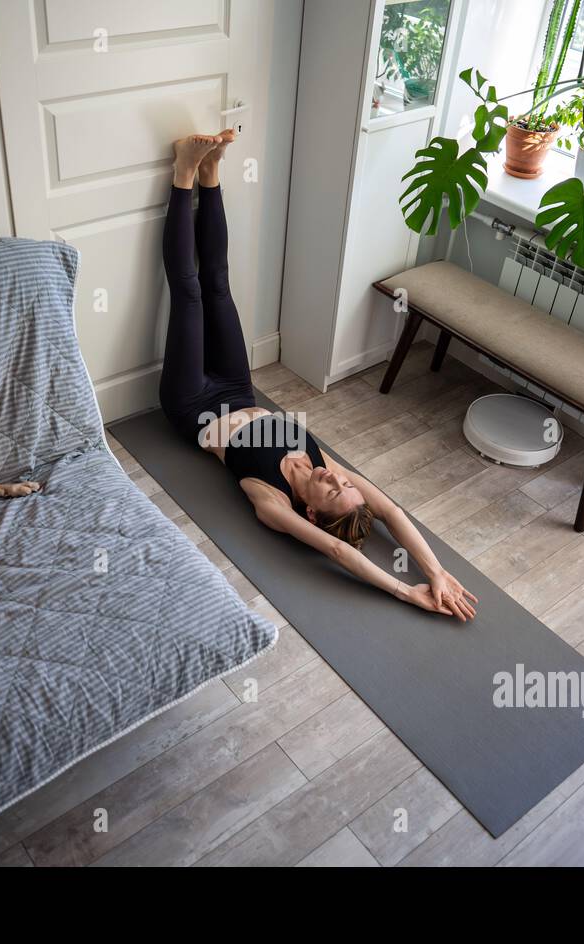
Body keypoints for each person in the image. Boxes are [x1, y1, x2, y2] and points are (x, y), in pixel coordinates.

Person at [158, 131, 477, 622]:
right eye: (342, 481)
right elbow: (392, 513)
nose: (333, 474)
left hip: (192, 404)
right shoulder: (331, 474)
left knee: (190, 292)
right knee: (219, 285)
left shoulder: (272, 504)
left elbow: (339, 553)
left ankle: (183, 172)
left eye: (330, 489)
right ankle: (211, 172)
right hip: (239, 388)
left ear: (310, 514)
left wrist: (403, 591)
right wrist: (434, 571)